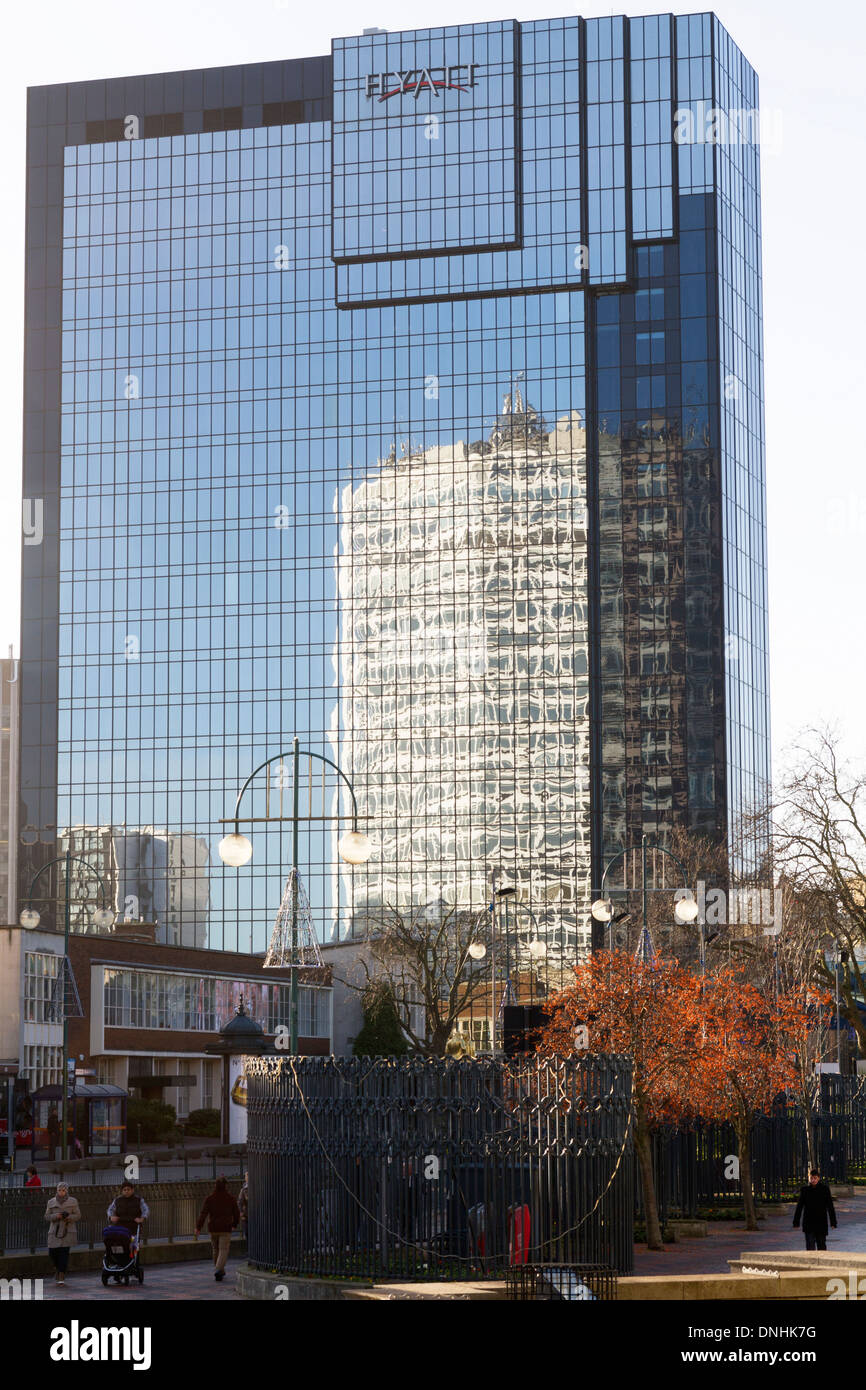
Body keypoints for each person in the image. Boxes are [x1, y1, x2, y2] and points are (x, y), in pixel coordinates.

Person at [195, 1176, 240, 1281]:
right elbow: (236, 1213)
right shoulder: (231, 1198)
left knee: (215, 1250)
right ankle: (218, 1269)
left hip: (213, 1228)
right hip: (225, 1228)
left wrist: (198, 1227)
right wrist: (234, 1224)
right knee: (223, 1250)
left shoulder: (210, 1199)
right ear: (226, 1186)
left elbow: (203, 1214)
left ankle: (220, 1271)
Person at [45, 1183, 81, 1285]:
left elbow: (78, 1215)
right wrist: (57, 1216)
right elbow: (47, 1216)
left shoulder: (73, 1201)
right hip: (54, 1231)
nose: (61, 1192)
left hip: (67, 1230)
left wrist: (68, 1217)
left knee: (64, 1253)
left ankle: (61, 1274)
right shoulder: (51, 1202)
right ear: (57, 1190)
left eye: (63, 1190)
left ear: (67, 1191)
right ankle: (57, 1268)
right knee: (52, 1252)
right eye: (60, 1190)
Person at [793, 1169, 838, 1251]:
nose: (813, 1180)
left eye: (815, 1178)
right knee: (810, 1246)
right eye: (811, 1178)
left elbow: (830, 1207)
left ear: (818, 1178)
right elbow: (799, 1207)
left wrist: (833, 1222)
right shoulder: (805, 1190)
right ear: (808, 1178)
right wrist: (796, 1222)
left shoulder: (824, 1189)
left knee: (821, 1246)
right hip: (808, 1222)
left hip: (821, 1222)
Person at [238, 1171, 249, 1242]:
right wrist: (241, 1213)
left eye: (246, 1176)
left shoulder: (244, 1189)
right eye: (246, 1176)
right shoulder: (244, 1189)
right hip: (247, 1215)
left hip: (250, 1214)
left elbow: (240, 1202)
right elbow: (240, 1202)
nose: (246, 1177)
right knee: (247, 1233)